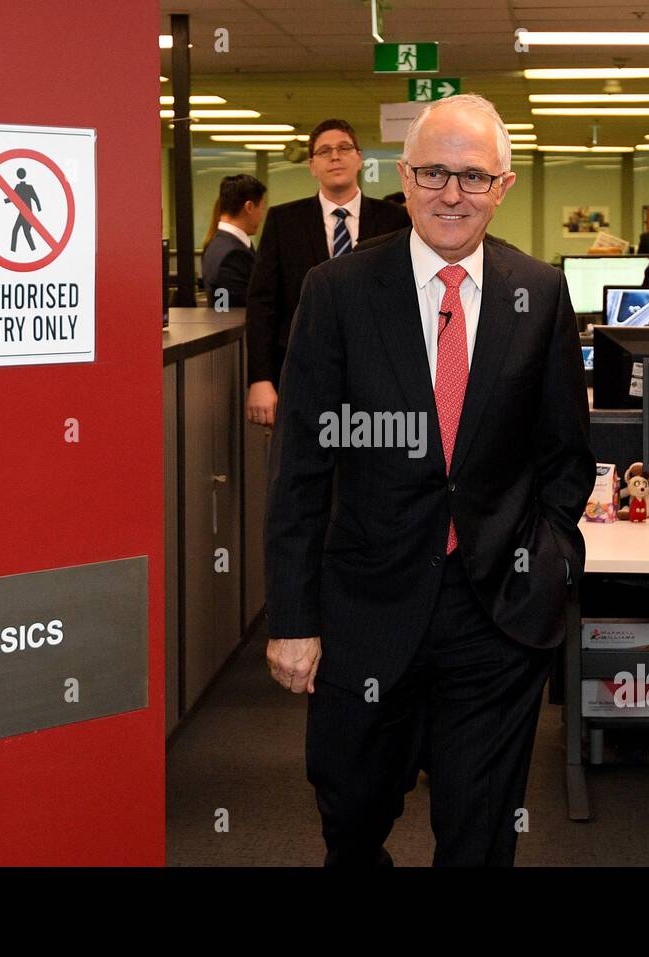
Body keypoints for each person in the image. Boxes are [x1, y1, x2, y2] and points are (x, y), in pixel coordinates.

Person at [264, 94, 596, 867]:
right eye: (434, 173)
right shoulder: (337, 291)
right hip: (366, 608)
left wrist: (546, 563)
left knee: (479, 838)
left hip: (496, 613)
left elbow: (565, 455)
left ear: (504, 186)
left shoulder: (538, 292)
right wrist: (293, 617)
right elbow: (300, 470)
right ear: (404, 178)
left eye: (474, 176)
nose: (453, 194)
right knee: (352, 824)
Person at [244, 119, 410, 427]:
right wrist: (260, 379)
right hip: (302, 372)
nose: (335, 156)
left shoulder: (395, 220)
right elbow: (262, 304)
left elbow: (409, 300)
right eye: (324, 151)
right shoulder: (284, 222)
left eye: (344, 148)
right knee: (305, 454)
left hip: (380, 374)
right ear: (312, 165)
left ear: (359, 158)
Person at [201, 174, 266, 309]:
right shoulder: (232, 255)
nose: (262, 216)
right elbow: (227, 310)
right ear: (249, 207)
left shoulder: (216, 245)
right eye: (262, 208)